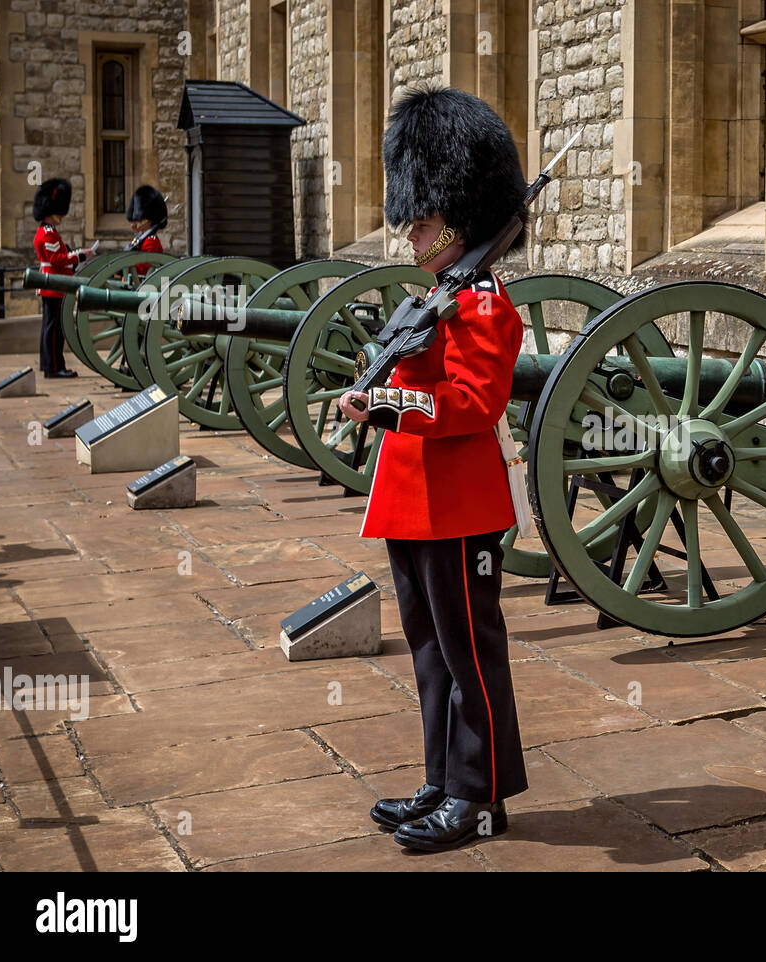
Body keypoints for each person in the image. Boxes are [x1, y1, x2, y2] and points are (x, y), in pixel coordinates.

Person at [337, 85, 530, 852]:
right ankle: (443, 778)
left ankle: (479, 796)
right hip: (413, 500)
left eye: (421, 214)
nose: (410, 226)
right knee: (429, 652)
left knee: (469, 653)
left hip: (458, 504)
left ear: (458, 214)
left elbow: (475, 406)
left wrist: (386, 406)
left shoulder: (482, 303)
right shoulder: (434, 299)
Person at [32, 178, 94, 378]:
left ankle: (52, 365)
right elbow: (57, 260)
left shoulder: (47, 232)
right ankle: (54, 367)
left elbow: (60, 258)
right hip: (55, 285)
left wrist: (72, 257)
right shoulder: (48, 234)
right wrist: (81, 255)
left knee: (52, 328)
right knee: (54, 329)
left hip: (54, 284)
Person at [126, 185, 167, 277]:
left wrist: (121, 268)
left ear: (149, 220)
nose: (134, 224)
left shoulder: (151, 241)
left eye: (139, 220)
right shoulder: (142, 238)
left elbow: (144, 266)